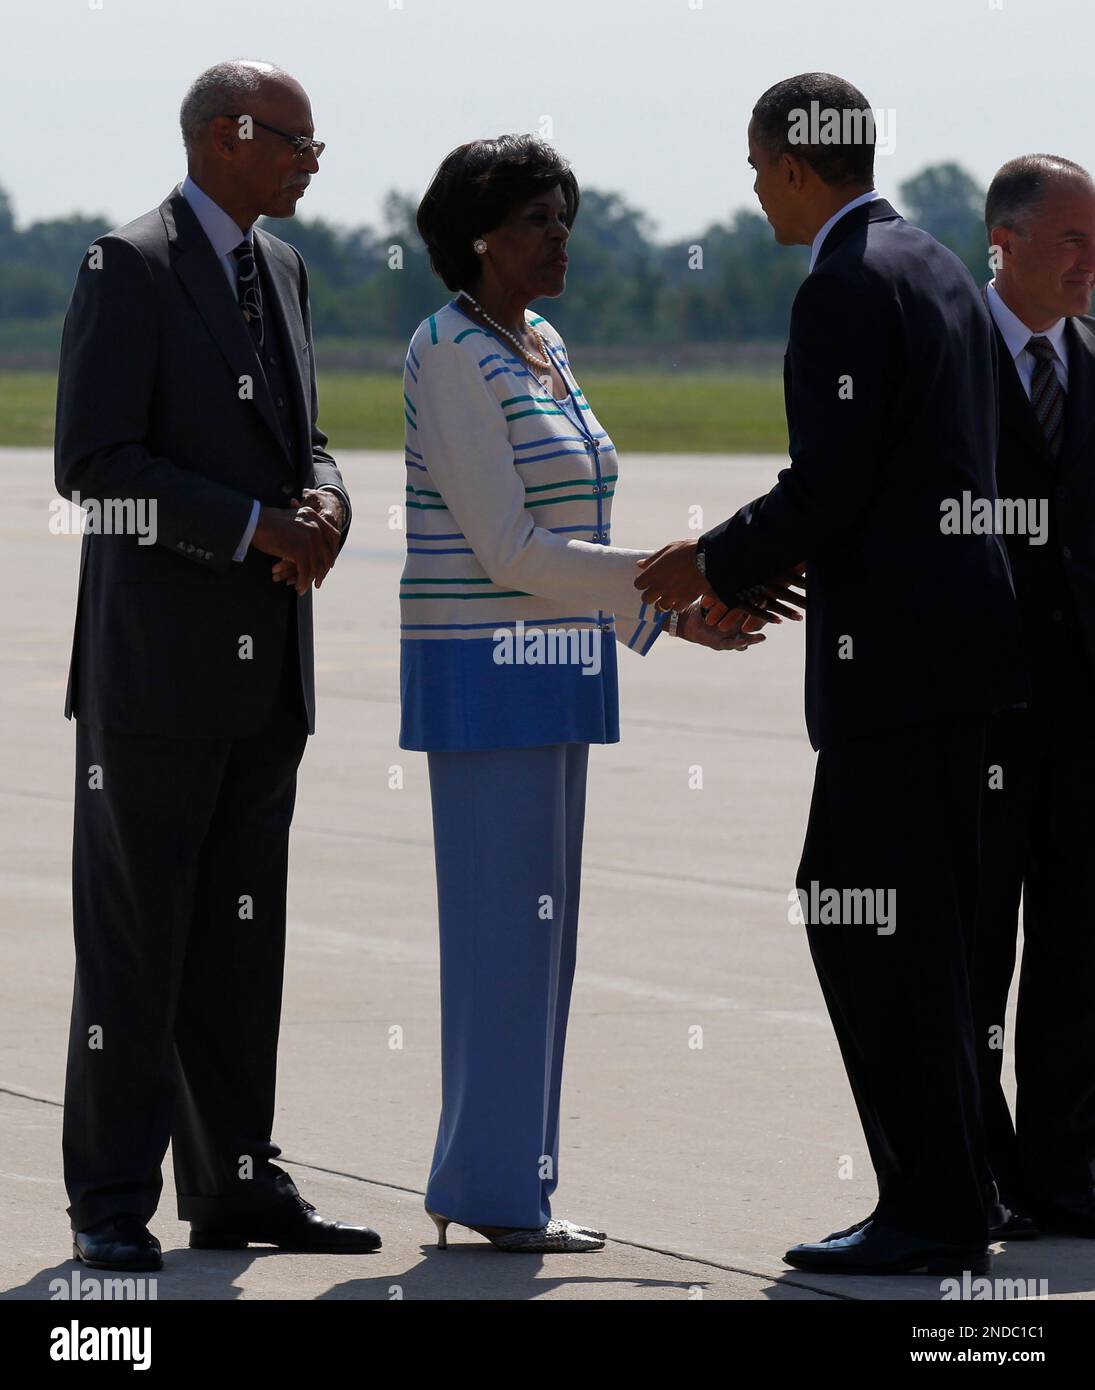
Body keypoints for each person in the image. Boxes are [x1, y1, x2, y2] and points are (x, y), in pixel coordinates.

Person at [636, 72, 1027, 1275]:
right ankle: (968, 1187)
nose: (755, 192)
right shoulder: (942, 266)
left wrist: (716, 559)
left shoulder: (847, 285)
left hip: (898, 669)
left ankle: (929, 1208)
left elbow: (838, 477)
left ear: (799, 167)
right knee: (937, 931)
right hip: (963, 651)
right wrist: (787, 563)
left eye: (759, 169)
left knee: (868, 921)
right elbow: (959, 457)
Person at [403, 135, 794, 1253]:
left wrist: (674, 610)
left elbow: (572, 534)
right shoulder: (448, 351)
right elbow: (511, 545)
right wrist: (667, 596)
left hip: (560, 669)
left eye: (565, 217)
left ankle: (505, 1184)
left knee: (543, 940)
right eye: (535, 220)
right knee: (500, 939)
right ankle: (488, 1185)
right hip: (486, 676)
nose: (559, 237)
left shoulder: (542, 344)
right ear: (476, 236)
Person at [54, 59, 377, 1271]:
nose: (310, 159)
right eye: (297, 140)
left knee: (243, 947)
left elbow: (312, 439)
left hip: (264, 675)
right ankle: (109, 1202)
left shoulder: (281, 269)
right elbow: (93, 463)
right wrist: (251, 527)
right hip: (157, 682)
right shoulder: (126, 267)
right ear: (222, 138)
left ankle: (238, 1186)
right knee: (138, 949)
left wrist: (329, 503)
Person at [973, 154, 1095, 1241]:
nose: (1088, 265)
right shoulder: (944, 360)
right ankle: (976, 1172)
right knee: (973, 955)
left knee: (1075, 953)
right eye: (1070, 241)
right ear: (1001, 243)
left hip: (1084, 723)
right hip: (976, 715)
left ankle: (1062, 1174)